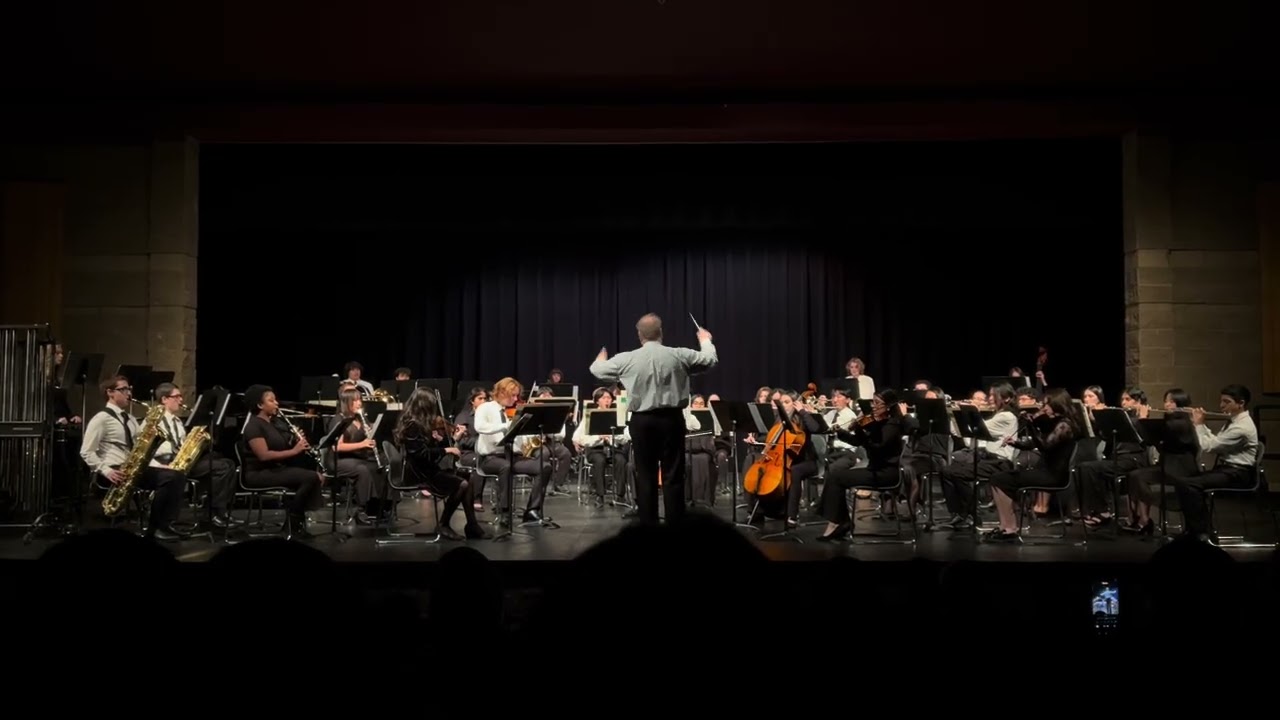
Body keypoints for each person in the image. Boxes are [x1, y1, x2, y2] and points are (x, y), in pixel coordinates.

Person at [589, 313, 718, 524]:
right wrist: (705, 340)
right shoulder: (679, 355)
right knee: (673, 476)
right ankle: (674, 526)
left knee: (645, 475)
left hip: (642, 422)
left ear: (639, 335)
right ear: (661, 333)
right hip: (671, 420)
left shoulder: (627, 358)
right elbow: (710, 359)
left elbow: (596, 370)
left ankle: (648, 526)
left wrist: (601, 358)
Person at [78, 375, 188, 542]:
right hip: (115, 469)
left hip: (133, 467)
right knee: (169, 479)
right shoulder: (101, 418)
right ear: (110, 393)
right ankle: (156, 528)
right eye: (123, 389)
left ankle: (164, 524)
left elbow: (140, 449)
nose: (128, 393)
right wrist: (106, 470)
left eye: (129, 389)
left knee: (176, 475)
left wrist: (157, 464)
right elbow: (86, 451)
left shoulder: (130, 419)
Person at [983, 388, 1082, 542]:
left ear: (1057, 404)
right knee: (997, 478)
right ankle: (1005, 526)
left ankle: (1010, 529)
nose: (1043, 408)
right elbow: (1034, 443)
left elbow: (1044, 446)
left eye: (1046, 405)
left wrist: (1032, 427)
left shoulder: (1065, 425)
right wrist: (1015, 443)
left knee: (1002, 479)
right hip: (1045, 471)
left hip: (1054, 475)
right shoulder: (1054, 423)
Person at [395, 387, 490, 540]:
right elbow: (420, 455)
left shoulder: (423, 424)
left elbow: (432, 452)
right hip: (418, 473)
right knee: (461, 484)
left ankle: (472, 525)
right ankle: (443, 524)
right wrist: (446, 449)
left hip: (428, 469)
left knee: (469, 477)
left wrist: (445, 440)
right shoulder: (412, 426)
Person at [1169, 384, 1259, 541]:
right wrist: (1199, 425)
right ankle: (1197, 530)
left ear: (1241, 403)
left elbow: (1208, 446)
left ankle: (1200, 533)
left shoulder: (1242, 427)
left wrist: (1199, 424)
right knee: (1185, 480)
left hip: (1239, 473)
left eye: (1226, 402)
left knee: (1189, 484)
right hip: (1228, 470)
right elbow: (1216, 441)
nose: (1221, 406)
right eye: (1221, 401)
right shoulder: (1234, 421)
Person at [814, 389, 906, 541]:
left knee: (837, 477)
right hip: (874, 470)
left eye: (877, 403)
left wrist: (860, 429)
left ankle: (838, 522)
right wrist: (841, 432)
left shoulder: (892, 425)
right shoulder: (877, 423)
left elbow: (877, 447)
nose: (873, 406)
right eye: (873, 402)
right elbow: (857, 441)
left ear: (888, 406)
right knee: (835, 476)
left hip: (886, 474)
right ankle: (839, 521)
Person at [239, 384, 325, 540]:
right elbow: (264, 456)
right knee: (310, 477)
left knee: (313, 475)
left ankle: (295, 522)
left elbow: (281, 447)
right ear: (259, 405)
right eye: (271, 401)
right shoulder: (253, 426)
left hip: (275, 470)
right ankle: (293, 521)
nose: (276, 403)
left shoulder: (275, 424)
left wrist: (295, 440)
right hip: (258, 474)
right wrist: (294, 450)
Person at [149, 382, 239, 528]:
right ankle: (213, 513)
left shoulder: (176, 421)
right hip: (169, 464)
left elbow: (182, 445)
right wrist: (165, 463)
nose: (181, 400)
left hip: (182, 461)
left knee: (225, 461)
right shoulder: (154, 421)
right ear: (164, 399)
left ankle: (217, 510)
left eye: (180, 396)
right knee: (222, 467)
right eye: (176, 396)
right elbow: (154, 450)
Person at [330, 387, 392, 522]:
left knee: (381, 464)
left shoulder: (361, 419)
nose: (359, 403)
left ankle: (381, 505)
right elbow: (337, 447)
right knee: (363, 470)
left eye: (360, 400)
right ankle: (360, 509)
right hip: (340, 460)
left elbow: (369, 439)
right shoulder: (339, 420)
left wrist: (372, 435)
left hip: (358, 457)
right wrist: (362, 444)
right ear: (347, 402)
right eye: (355, 400)